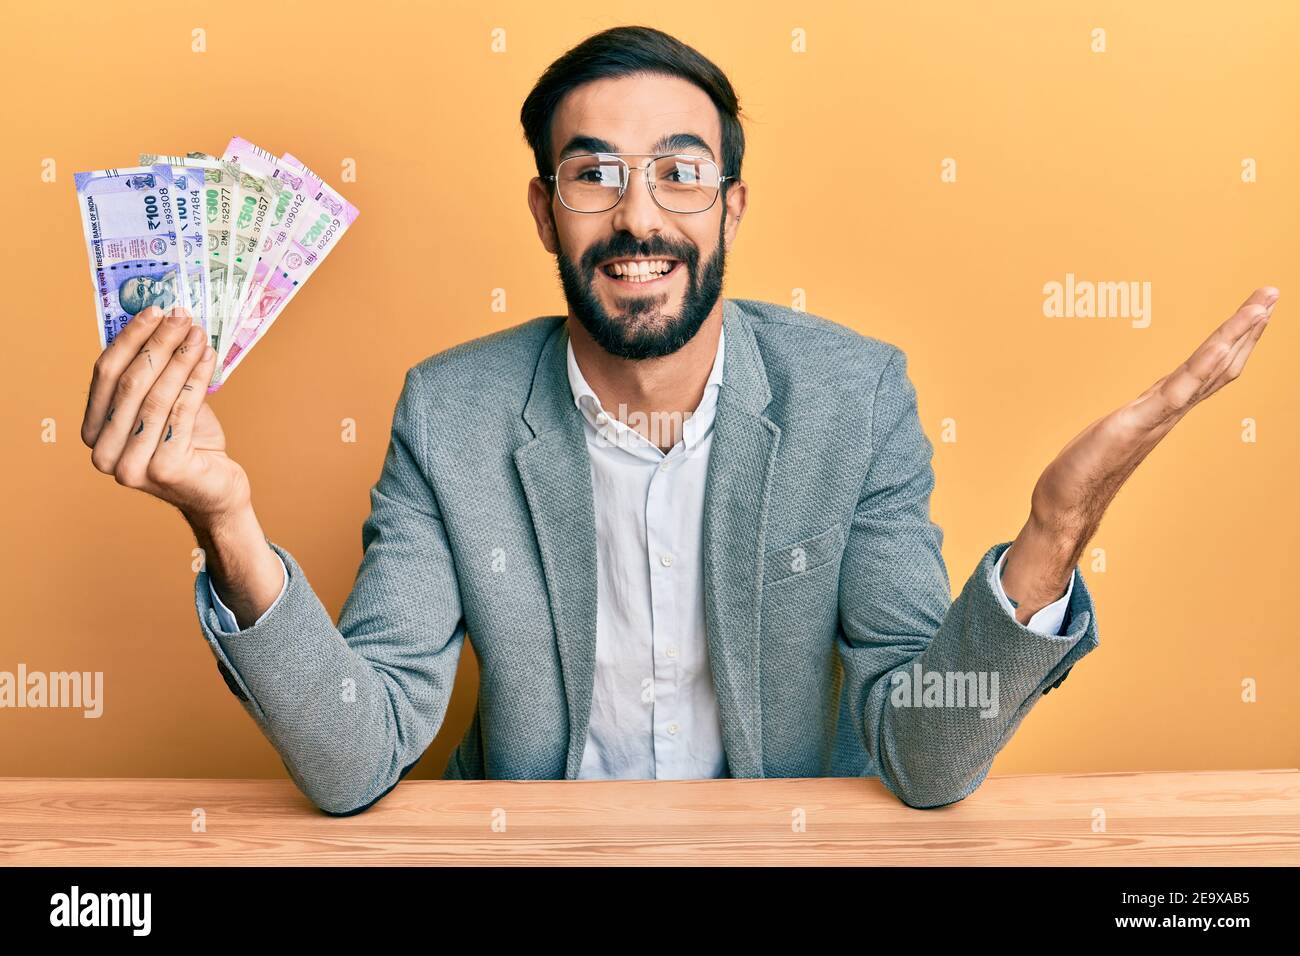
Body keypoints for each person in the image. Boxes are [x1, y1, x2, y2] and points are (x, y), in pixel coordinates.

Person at [81, 25, 1277, 816]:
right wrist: (228, 524)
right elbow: (353, 762)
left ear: (732, 205)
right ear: (546, 214)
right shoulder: (452, 411)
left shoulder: (852, 398)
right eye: (593, 173)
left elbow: (921, 754)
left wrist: (1051, 537)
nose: (637, 213)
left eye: (679, 171)